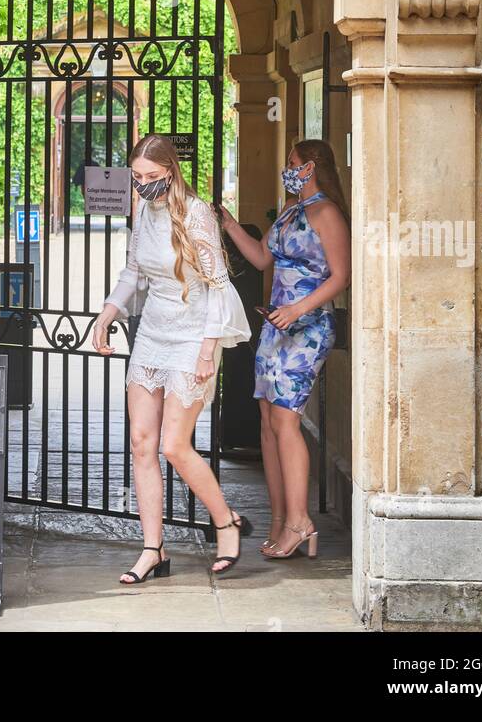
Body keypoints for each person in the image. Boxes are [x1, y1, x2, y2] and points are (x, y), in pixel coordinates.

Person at [92, 133, 253, 584]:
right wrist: (107, 313)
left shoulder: (196, 213)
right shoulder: (143, 211)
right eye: (137, 177)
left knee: (173, 446)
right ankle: (153, 549)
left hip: (193, 337)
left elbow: (218, 284)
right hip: (153, 335)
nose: (143, 185)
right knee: (141, 445)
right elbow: (134, 272)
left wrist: (208, 350)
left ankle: (225, 522)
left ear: (170, 172)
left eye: (152, 177)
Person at [218, 138, 350, 561]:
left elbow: (341, 277)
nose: (288, 169)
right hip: (276, 325)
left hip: (308, 326)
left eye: (292, 163)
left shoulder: (327, 212)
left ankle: (300, 522)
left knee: (285, 420)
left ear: (311, 167)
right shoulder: (292, 210)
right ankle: (279, 522)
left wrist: (297, 309)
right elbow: (260, 258)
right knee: (267, 422)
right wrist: (230, 224)